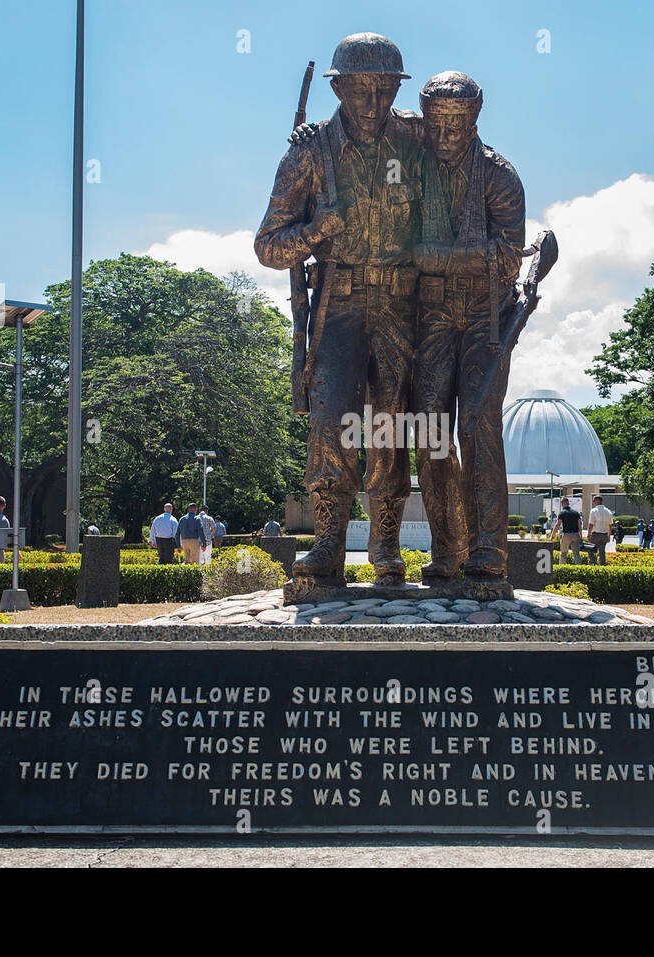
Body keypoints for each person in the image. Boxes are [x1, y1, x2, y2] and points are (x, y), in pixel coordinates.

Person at [256, 32, 425, 589]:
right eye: (359, 91)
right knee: (330, 424)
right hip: (340, 306)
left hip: (403, 304)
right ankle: (328, 542)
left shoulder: (416, 143)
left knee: (390, 426)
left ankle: (385, 545)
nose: (372, 103)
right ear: (339, 88)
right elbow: (268, 245)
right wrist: (316, 230)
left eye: (382, 90)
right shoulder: (309, 153)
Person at [410, 71, 526, 585]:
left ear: (476, 115)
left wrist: (435, 258)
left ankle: (488, 551)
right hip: (430, 317)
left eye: (459, 122)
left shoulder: (500, 176)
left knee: (478, 428)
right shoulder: (410, 168)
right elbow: (364, 123)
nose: (448, 133)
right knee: (430, 434)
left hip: (484, 318)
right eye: (438, 122)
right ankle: (446, 548)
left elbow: (507, 262)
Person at [551, 497, 583, 565]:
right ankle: (579, 569)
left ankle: (562, 569)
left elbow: (557, 525)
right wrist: (581, 536)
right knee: (576, 554)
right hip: (575, 534)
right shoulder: (576, 513)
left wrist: (552, 535)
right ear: (568, 503)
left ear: (562, 504)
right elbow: (580, 526)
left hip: (566, 535)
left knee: (563, 553)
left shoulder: (562, 513)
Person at [587, 495, 614, 565]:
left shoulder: (594, 511)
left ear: (596, 501)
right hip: (604, 535)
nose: (593, 503)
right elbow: (610, 525)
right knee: (602, 552)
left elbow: (591, 524)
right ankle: (602, 567)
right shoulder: (608, 511)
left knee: (591, 551)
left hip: (595, 535)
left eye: (594, 501)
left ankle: (593, 566)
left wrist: (588, 534)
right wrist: (609, 536)